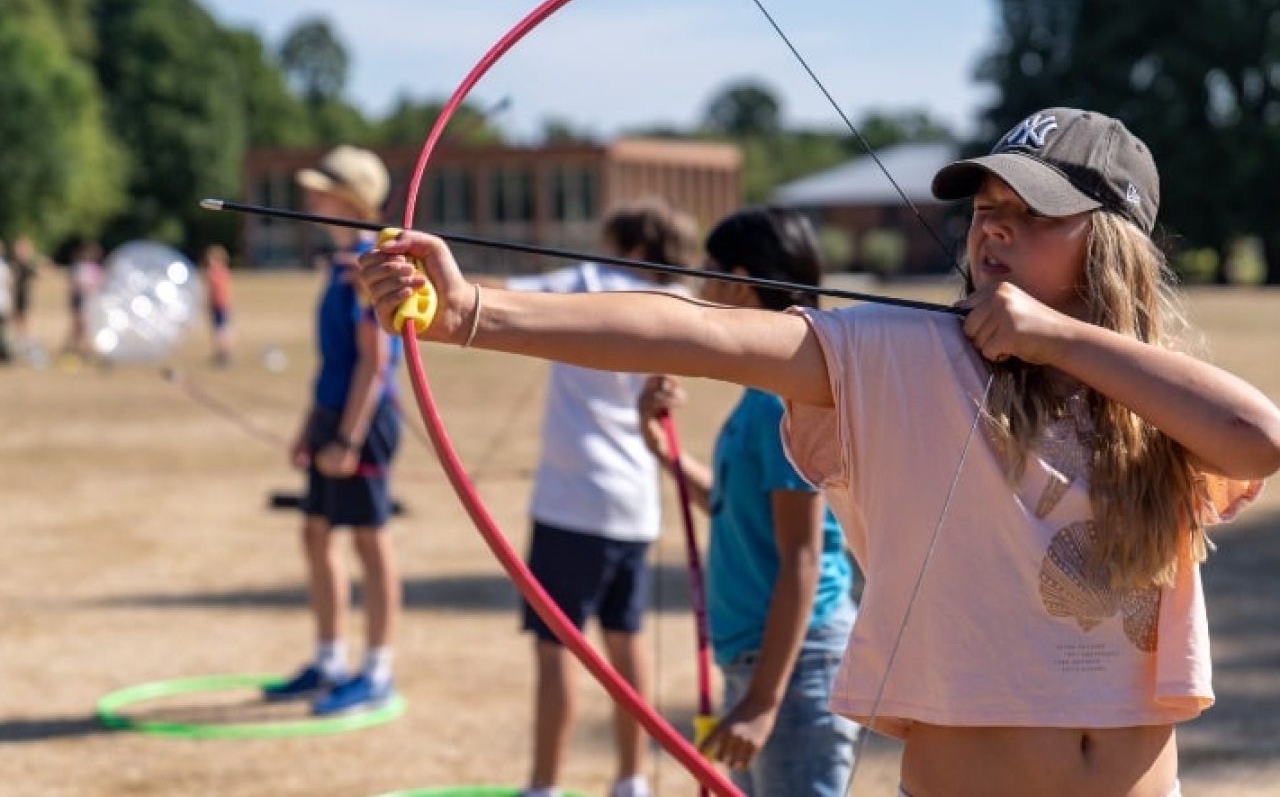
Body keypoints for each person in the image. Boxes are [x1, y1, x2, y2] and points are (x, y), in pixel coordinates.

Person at [357, 107, 1280, 797]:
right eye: (984, 206)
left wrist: (1060, 340)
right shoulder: (900, 356)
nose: (993, 226)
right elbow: (697, 333)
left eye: (1035, 211)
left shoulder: (1150, 403)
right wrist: (474, 312)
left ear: (1113, 242)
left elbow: (1262, 439)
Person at [637, 206, 860, 796]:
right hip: (763, 663)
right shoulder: (762, 393)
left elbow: (803, 556)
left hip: (795, 667)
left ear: (737, 282)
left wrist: (762, 701)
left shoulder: (778, 402)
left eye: (706, 272)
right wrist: (663, 451)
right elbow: (737, 510)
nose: (698, 291)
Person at [493, 197, 698, 797]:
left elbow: (500, 295)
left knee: (556, 646)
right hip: (634, 504)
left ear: (632, 248)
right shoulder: (676, 300)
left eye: (610, 243)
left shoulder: (588, 283)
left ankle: (543, 786)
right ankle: (631, 780)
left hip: (573, 504)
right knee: (626, 639)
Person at [263, 144, 404, 716]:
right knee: (317, 535)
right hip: (332, 416)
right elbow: (334, 361)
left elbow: (376, 362)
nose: (311, 199)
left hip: (362, 422)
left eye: (322, 191)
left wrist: (347, 438)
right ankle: (329, 662)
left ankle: (378, 671)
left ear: (350, 200)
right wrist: (310, 427)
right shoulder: (342, 263)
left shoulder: (369, 267)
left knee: (370, 542)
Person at [61, 239, 103, 361]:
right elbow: (74, 286)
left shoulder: (95, 268)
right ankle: (77, 349)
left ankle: (78, 349)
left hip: (90, 301)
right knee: (79, 325)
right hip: (79, 300)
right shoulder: (78, 267)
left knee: (84, 327)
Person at [202, 244, 234, 366]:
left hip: (219, 305)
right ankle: (222, 353)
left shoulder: (214, 273)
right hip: (221, 305)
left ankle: (224, 353)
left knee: (220, 330)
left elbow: (215, 290)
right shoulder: (223, 271)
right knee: (221, 329)